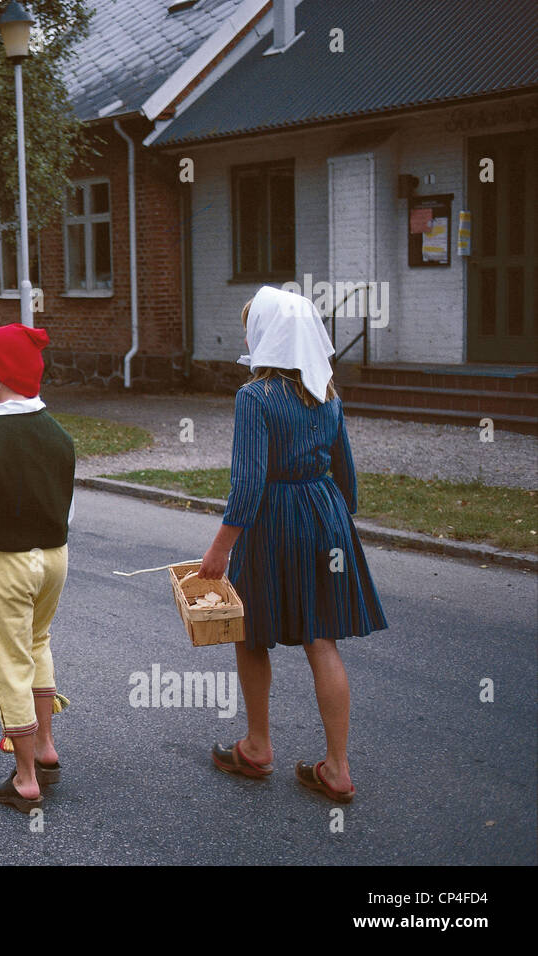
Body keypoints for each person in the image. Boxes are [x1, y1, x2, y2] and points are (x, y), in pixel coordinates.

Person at [198, 286, 387, 802]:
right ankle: (338, 767)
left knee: (250, 632)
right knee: (319, 637)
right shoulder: (328, 393)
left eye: (249, 326)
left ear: (267, 335)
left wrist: (219, 549)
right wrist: (336, 521)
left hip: (272, 519)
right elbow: (345, 471)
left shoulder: (254, 398)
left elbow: (249, 484)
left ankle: (257, 746)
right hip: (325, 515)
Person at [0, 323, 75, 814]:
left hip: (11, 560)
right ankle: (45, 746)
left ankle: (25, 778)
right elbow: (66, 508)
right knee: (39, 642)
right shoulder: (60, 435)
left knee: (10, 659)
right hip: (54, 558)